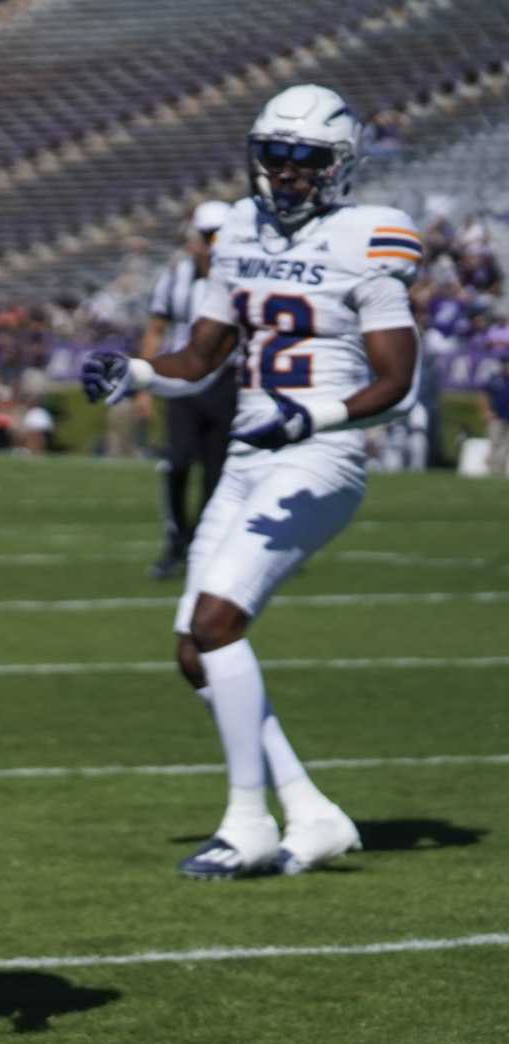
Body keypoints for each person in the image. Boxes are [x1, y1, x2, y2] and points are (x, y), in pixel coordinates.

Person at [82, 84, 420, 878]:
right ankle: (309, 809)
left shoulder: (368, 238)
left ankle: (246, 821)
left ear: (339, 166)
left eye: (307, 158)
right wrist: (133, 370)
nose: (288, 172)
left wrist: (311, 418)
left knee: (218, 619)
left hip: (319, 456)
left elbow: (395, 382)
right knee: (196, 650)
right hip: (246, 451)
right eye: (276, 155)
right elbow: (198, 360)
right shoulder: (236, 228)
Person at [139, 199, 238, 578]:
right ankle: (177, 539)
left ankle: (203, 545)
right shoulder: (176, 277)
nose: (212, 245)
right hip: (183, 378)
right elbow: (156, 330)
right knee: (177, 462)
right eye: (207, 236)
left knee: (216, 472)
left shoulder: (241, 278)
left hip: (229, 380)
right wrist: (146, 384)